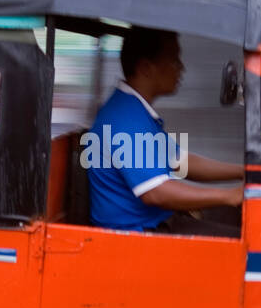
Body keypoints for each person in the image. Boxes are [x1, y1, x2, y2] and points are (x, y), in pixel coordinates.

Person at [85, 27, 243, 236]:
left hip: (155, 222)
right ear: (146, 68)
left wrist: (245, 171)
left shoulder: (134, 111)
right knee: (246, 244)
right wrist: (229, 196)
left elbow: (181, 162)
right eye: (174, 59)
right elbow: (156, 192)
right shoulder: (124, 118)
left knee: (237, 219)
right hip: (141, 236)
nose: (181, 68)